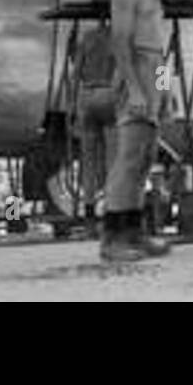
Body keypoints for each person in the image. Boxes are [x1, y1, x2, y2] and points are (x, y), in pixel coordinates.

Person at [101, 0, 172, 262]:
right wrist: (134, 88)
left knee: (145, 159)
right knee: (129, 157)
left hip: (154, 66)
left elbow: (158, 46)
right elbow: (120, 43)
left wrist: (163, 89)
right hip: (137, 71)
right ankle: (112, 238)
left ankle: (134, 232)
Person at [74, 23, 116, 238]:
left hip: (87, 96)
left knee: (88, 163)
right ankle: (111, 217)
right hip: (109, 94)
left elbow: (76, 72)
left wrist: (75, 106)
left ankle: (89, 219)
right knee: (112, 161)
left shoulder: (87, 38)